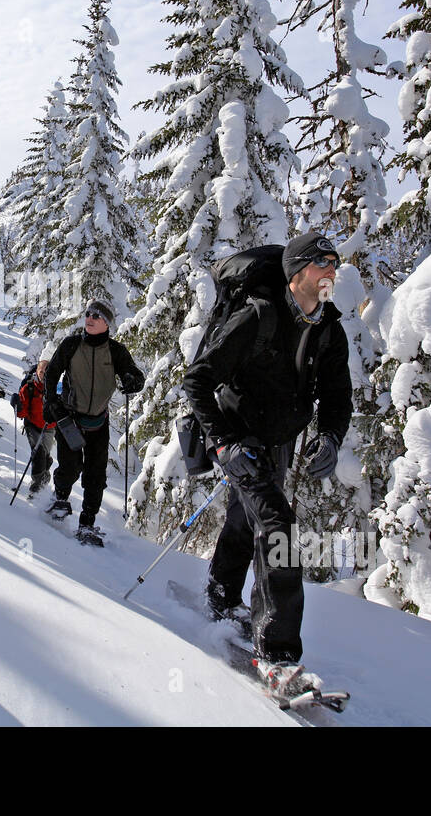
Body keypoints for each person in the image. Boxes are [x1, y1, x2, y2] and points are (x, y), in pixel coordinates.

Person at [182, 231, 352, 697]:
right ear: (296, 274)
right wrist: (223, 445)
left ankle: (219, 594)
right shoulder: (258, 316)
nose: (330, 274)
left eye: (334, 266)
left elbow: (338, 395)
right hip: (238, 439)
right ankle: (277, 655)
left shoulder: (329, 331)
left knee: (246, 517)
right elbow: (197, 380)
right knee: (278, 523)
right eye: (321, 265)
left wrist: (331, 438)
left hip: (279, 441)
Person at [43, 299, 145, 547]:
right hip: (71, 419)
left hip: (99, 423)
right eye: (88, 313)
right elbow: (51, 373)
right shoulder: (71, 345)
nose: (89, 318)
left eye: (96, 316)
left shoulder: (116, 352)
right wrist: (51, 402)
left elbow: (136, 376)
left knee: (95, 476)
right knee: (69, 467)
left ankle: (87, 523)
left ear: (107, 323)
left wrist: (133, 381)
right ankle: (61, 499)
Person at [13, 360, 57, 496]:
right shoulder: (29, 387)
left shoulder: (56, 388)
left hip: (50, 427)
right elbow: (22, 412)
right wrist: (17, 405)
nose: (44, 374)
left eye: (46, 371)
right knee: (37, 454)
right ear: (37, 371)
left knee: (45, 455)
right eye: (41, 371)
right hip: (32, 425)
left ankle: (44, 477)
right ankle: (35, 489)